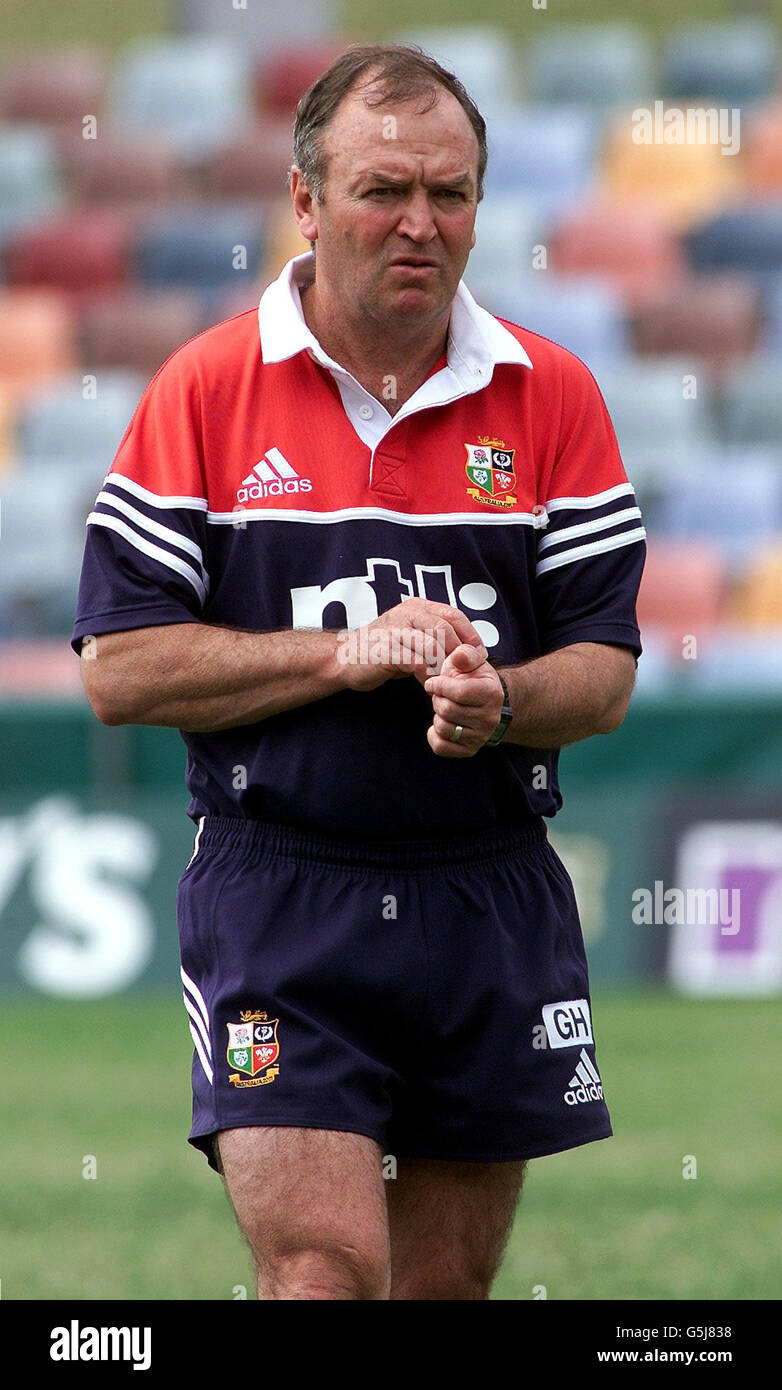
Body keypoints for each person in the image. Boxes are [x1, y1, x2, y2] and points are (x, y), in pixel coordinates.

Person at [73, 43, 645, 1301]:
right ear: (304, 198)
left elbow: (602, 673)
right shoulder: (205, 391)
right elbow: (119, 668)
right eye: (383, 189)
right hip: (280, 894)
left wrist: (501, 704)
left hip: (487, 891)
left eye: (449, 194)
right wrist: (342, 652)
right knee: (324, 1270)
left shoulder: (553, 397)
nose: (419, 223)